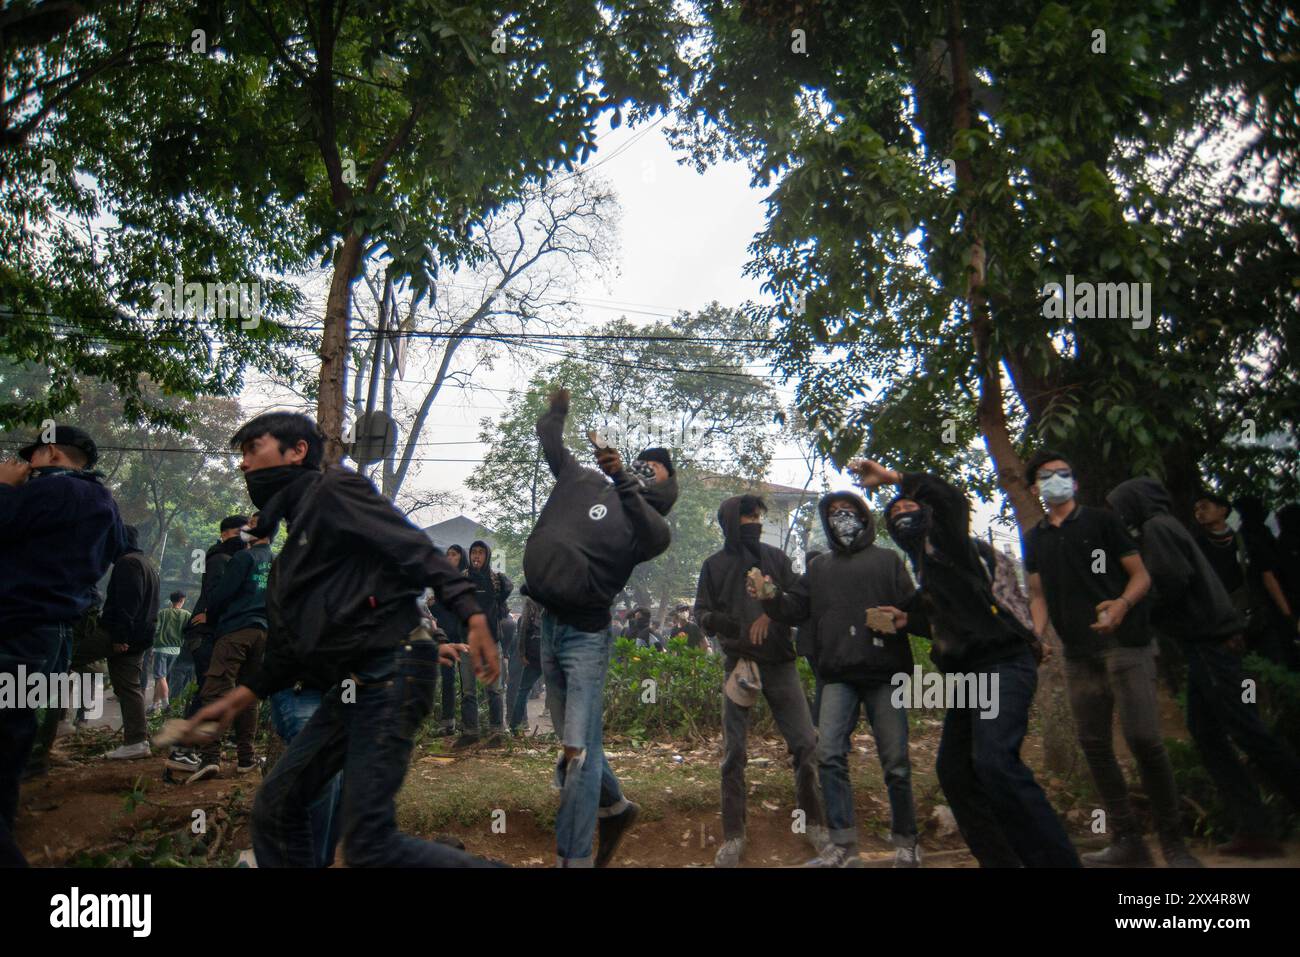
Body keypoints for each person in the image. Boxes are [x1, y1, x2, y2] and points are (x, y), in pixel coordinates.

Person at [180, 411, 500, 867]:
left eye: (254, 449)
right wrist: (242, 696)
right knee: (277, 806)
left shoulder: (333, 489)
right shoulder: (294, 553)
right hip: (356, 688)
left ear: (297, 451)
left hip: (393, 674)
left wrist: (472, 615)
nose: (244, 464)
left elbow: (412, 548)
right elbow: (298, 646)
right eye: (242, 455)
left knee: (371, 845)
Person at [852, 457, 1081, 868]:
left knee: (995, 762)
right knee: (956, 772)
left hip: (1002, 663)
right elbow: (952, 616)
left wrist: (894, 478)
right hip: (968, 677)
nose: (903, 515)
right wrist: (908, 620)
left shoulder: (951, 542)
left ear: (928, 516)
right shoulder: (925, 566)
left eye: (910, 509)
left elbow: (950, 499)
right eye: (895, 514)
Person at [521, 387, 677, 867]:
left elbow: (652, 531)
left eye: (655, 471)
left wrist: (625, 480)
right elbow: (550, 442)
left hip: (586, 638)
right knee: (576, 740)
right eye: (640, 464)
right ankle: (615, 807)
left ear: (664, 492)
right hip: (549, 625)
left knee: (578, 754)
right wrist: (558, 411)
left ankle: (573, 858)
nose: (644, 470)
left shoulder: (648, 526)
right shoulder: (583, 480)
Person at [1021, 450, 1196, 868]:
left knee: (1144, 740)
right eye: (1047, 476)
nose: (1056, 481)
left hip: (1127, 644)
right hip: (1079, 653)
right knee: (1095, 745)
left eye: (1064, 474)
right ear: (1035, 488)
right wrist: (1037, 634)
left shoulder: (1103, 521)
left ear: (1076, 484)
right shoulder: (1036, 538)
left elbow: (1141, 575)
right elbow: (1038, 594)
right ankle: (1127, 842)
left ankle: (1175, 846)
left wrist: (1120, 605)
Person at [1109, 477, 1300, 858]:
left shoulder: (1156, 528)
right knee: (1208, 733)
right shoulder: (1167, 526)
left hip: (1211, 642)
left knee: (1247, 731)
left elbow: (1171, 582)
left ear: (1134, 503)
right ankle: (1255, 828)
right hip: (1204, 645)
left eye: (1119, 506)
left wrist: (1132, 608)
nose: (1117, 515)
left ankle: (1263, 822)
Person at [755, 491, 921, 868]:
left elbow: (913, 610)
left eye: (848, 512)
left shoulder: (888, 561)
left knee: (895, 760)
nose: (841, 518)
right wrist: (768, 596)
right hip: (837, 675)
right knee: (828, 755)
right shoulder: (820, 568)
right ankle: (844, 847)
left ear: (864, 517)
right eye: (833, 514)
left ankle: (907, 843)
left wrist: (904, 619)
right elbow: (794, 607)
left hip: (884, 674)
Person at [0, 425, 126, 866]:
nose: (23, 465)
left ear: (49, 451)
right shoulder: (105, 503)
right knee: (13, 739)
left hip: (15, 630)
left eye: (29, 457)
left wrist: (4, 487)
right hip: (53, 637)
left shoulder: (43, 493)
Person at [696, 493, 828, 867]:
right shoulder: (714, 566)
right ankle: (734, 836)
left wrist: (771, 614)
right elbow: (700, 611)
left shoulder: (777, 560)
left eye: (758, 515)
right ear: (729, 523)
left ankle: (814, 823)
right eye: (747, 516)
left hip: (780, 664)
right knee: (734, 753)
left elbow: (799, 603)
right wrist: (718, 623)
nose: (755, 521)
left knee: (805, 744)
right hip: (740, 667)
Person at [190, 513, 273, 779]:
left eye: (249, 526)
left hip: (235, 631)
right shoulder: (278, 561)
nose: (244, 529)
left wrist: (208, 614)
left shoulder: (243, 558)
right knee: (248, 694)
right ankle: (246, 758)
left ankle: (210, 757)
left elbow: (221, 594)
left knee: (216, 690)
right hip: (263, 633)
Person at [67, 524, 159, 762]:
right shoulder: (148, 564)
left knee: (64, 659)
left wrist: (120, 637)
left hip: (117, 635)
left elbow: (129, 603)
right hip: (139, 638)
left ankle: (47, 726)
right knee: (129, 688)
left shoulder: (127, 563)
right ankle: (137, 741)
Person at [167, 514, 247, 773]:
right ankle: (183, 748)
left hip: (210, 634)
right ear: (225, 533)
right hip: (205, 635)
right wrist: (211, 615)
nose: (245, 539)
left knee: (208, 690)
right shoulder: (219, 558)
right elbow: (216, 594)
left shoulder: (231, 559)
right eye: (240, 533)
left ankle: (190, 746)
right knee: (208, 691)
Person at [1235, 495, 1296, 668]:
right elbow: (1268, 576)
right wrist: (1287, 613)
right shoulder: (1258, 536)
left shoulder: (1249, 535)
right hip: (1273, 605)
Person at [464, 539, 512, 746]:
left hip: (492, 642)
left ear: (487, 556)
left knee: (494, 689)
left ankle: (496, 733)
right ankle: (469, 732)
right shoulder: (462, 580)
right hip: (467, 643)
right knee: (468, 691)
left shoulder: (498, 580)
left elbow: (505, 596)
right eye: (473, 552)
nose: (476, 556)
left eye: (480, 553)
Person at [149, 591, 189, 714]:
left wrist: (152, 646)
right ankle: (155, 705)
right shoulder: (187, 615)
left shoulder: (163, 613)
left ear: (171, 600)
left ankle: (166, 704)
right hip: (176, 651)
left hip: (161, 649)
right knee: (161, 677)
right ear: (182, 600)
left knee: (161, 677)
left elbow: (156, 630)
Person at [510, 595, 545, 734]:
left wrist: (522, 654)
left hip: (534, 656)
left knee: (523, 690)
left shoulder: (530, 602)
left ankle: (514, 726)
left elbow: (523, 628)